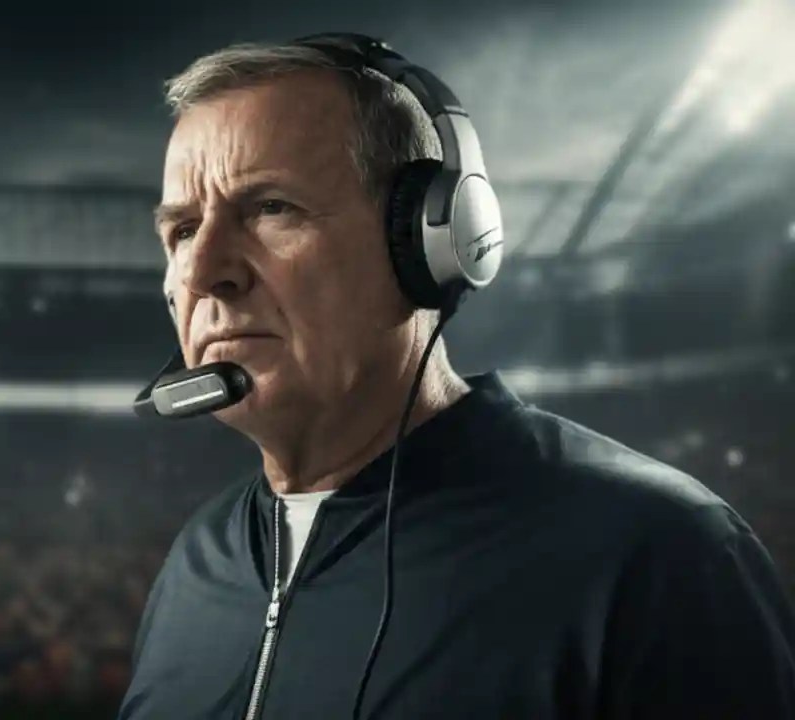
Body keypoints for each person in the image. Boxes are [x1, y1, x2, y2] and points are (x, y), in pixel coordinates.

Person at [118, 34, 795, 719]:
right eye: (181, 231)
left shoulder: (659, 554)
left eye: (271, 209)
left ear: (426, 240)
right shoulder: (195, 562)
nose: (204, 272)